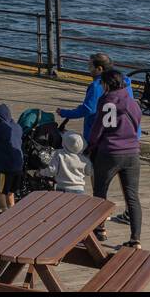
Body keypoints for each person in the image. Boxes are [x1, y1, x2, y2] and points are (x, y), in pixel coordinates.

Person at [88, 69, 143, 247]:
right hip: (132, 152)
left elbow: (98, 128)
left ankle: (100, 230)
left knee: (100, 193)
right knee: (132, 196)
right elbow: (137, 123)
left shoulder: (106, 101)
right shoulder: (132, 102)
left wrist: (91, 145)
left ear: (106, 84)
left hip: (109, 152)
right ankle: (136, 239)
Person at [58, 52, 134, 141]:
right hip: (127, 132)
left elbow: (88, 110)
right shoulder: (125, 81)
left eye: (90, 66)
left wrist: (65, 113)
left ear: (99, 69)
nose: (88, 69)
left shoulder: (98, 85)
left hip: (101, 136)